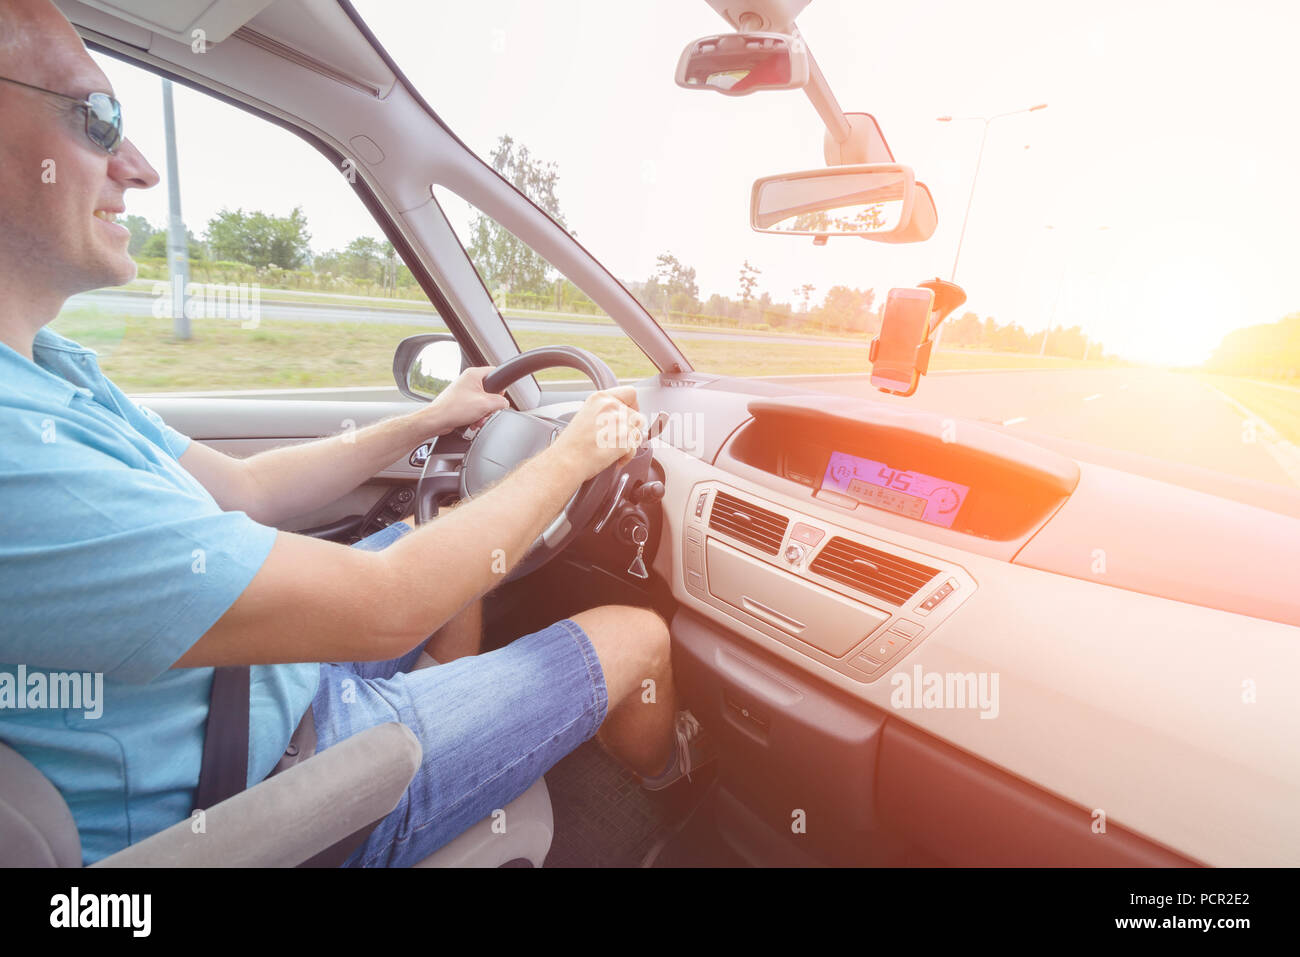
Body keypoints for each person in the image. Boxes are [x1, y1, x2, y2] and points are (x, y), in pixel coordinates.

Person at [0, 0, 704, 867]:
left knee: (445, 536)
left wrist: (435, 416)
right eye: (97, 118)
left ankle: (466, 726)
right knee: (639, 636)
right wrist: (574, 454)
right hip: (267, 793)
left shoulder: (53, 373)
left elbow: (252, 492)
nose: (138, 167)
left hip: (253, 689)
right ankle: (676, 816)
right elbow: (385, 609)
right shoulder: (13, 455)